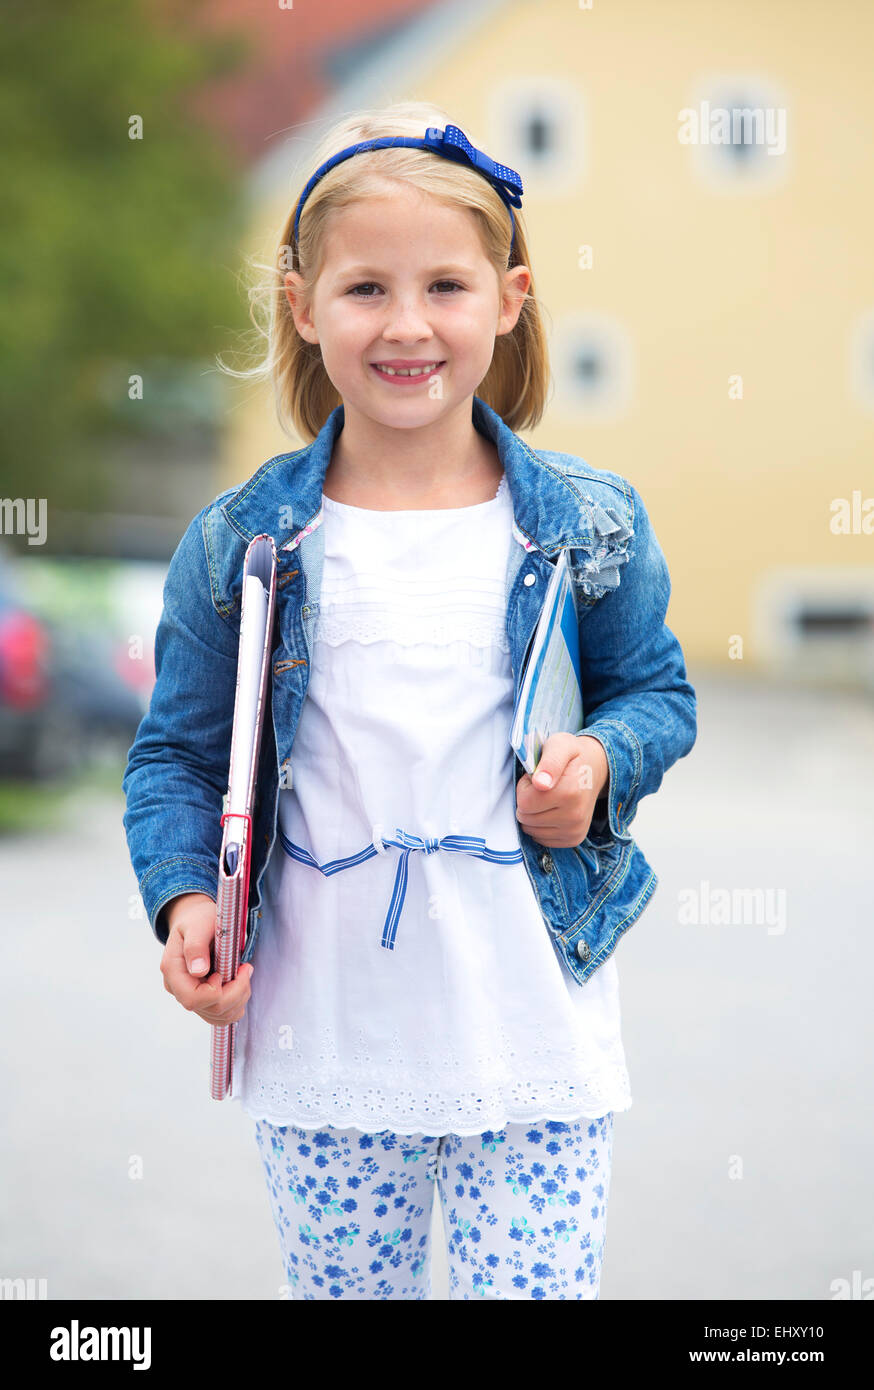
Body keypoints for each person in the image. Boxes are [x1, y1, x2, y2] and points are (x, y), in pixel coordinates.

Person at [122, 100, 697, 1301]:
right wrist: (185, 901)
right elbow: (177, 754)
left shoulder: (587, 523)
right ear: (302, 306)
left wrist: (596, 763)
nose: (406, 325)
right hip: (326, 1039)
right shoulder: (243, 542)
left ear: (509, 296)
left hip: (533, 1033)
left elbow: (656, 693)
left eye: (444, 286)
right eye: (364, 289)